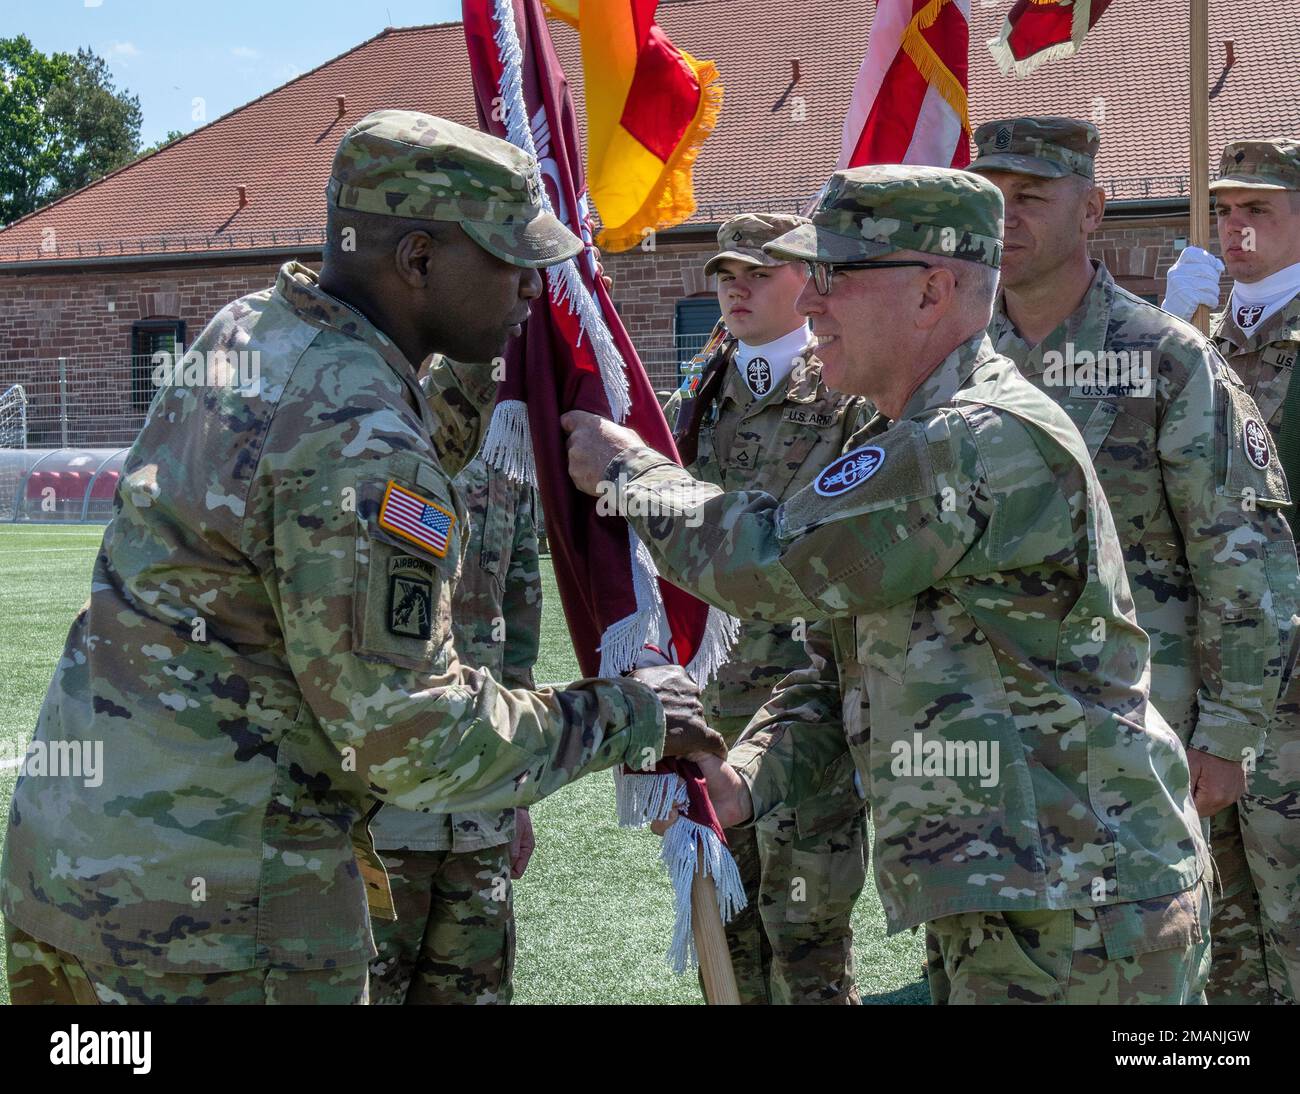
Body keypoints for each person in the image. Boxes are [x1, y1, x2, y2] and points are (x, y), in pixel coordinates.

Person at [1, 109, 722, 1005]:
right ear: (419, 260)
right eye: (512, 260)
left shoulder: (248, 329)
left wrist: (487, 367)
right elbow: (412, 737)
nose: (535, 289)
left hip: (70, 874)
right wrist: (628, 712)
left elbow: (349, 427)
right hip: (214, 934)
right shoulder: (367, 446)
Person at [563, 164, 1212, 1005]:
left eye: (836, 276)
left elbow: (774, 564)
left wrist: (632, 476)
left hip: (1080, 907)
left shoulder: (975, 436)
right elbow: (840, 672)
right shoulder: (894, 429)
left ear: (932, 290)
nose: (808, 304)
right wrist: (747, 776)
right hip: (1011, 893)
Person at [662, 213, 871, 1005]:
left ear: (809, 281)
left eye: (758, 270)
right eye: (725, 274)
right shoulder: (696, 397)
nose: (735, 287)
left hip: (804, 711)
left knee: (809, 947)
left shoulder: (848, 394)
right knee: (728, 932)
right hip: (708, 713)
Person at [1161, 136, 1300, 1004]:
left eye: (1261, 210)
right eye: (1227, 210)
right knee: (1220, 912)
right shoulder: (1190, 337)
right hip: (1203, 675)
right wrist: (1170, 336)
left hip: (1290, 678)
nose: (1236, 228)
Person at [368, 454, 540, 1005]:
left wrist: (520, 797)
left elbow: (516, 647)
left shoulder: (506, 461)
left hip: (480, 813)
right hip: (375, 817)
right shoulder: (362, 439)